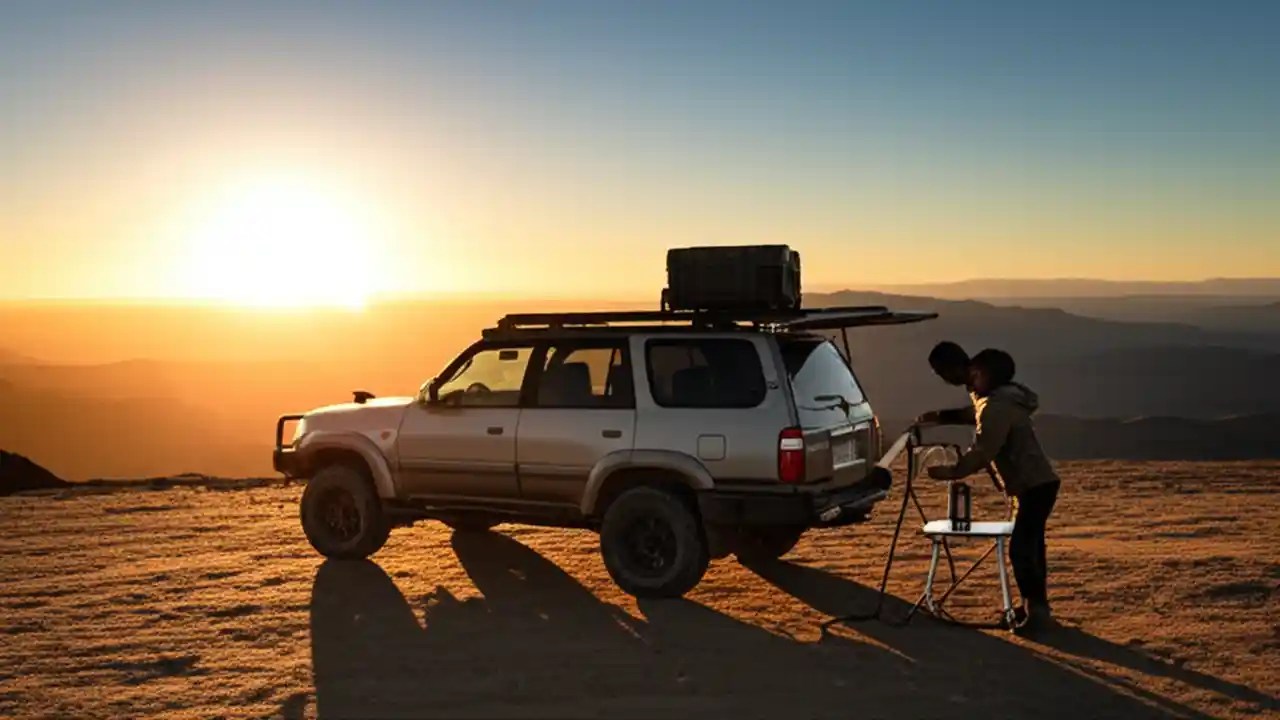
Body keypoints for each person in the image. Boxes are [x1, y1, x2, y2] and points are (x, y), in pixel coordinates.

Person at [920, 345, 1063, 635]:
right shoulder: (992, 396)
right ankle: (1034, 608)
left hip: (1034, 484)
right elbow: (976, 413)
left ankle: (1038, 615)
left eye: (942, 373)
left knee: (1022, 549)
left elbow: (984, 449)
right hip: (1035, 484)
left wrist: (952, 472)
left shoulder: (997, 405)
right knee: (1032, 548)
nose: (944, 378)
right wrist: (943, 416)